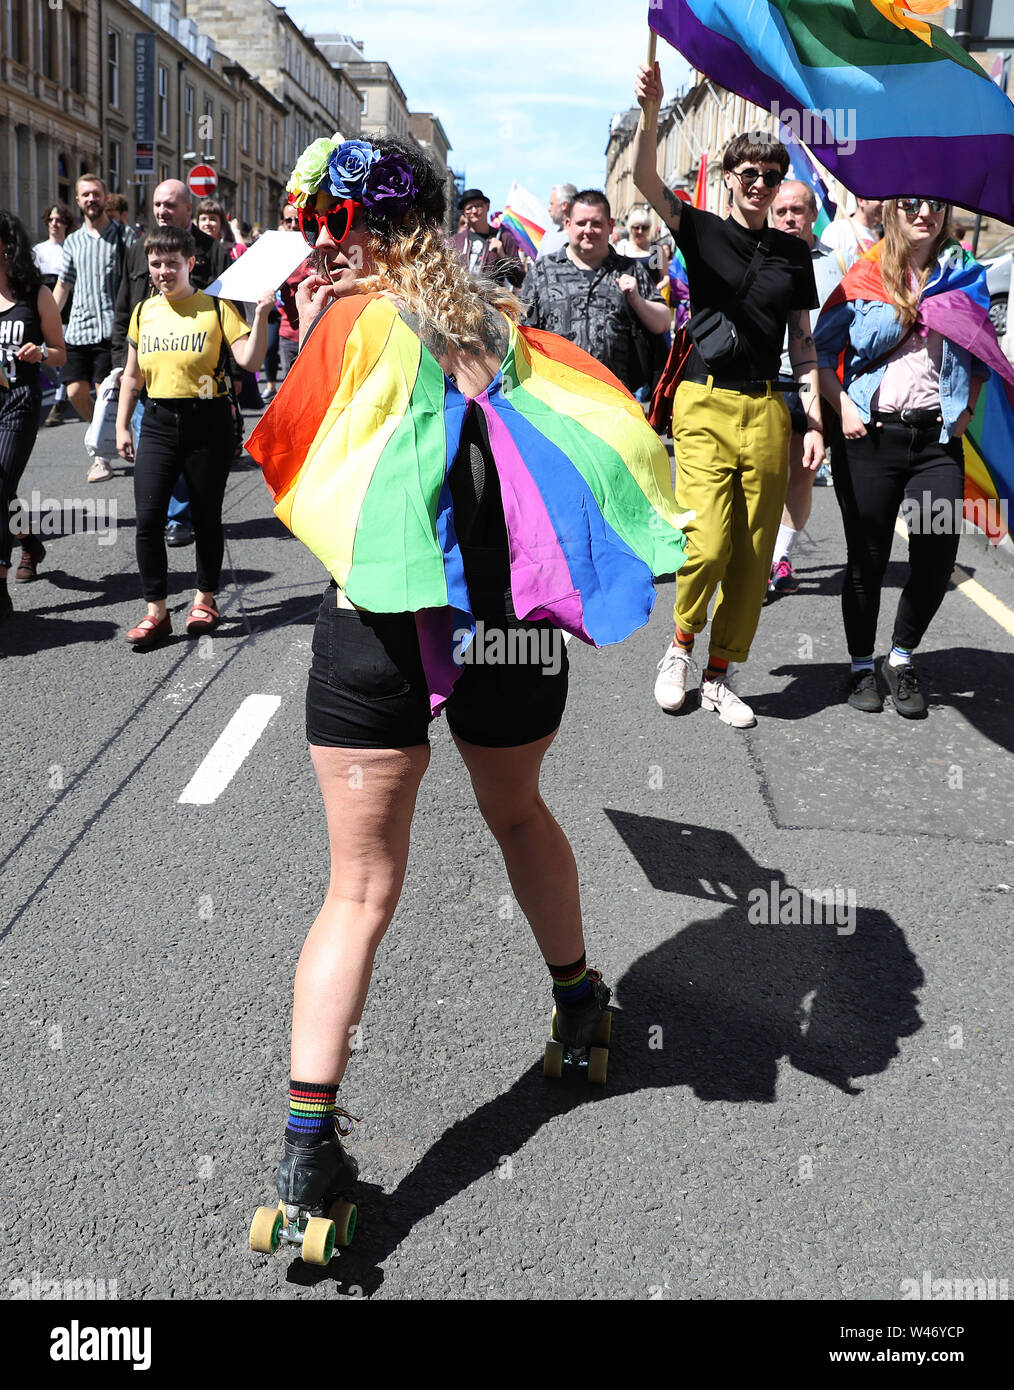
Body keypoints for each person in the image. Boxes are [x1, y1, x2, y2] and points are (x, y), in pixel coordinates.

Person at [241, 132, 689, 1259]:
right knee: (519, 812)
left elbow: (292, 458)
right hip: (506, 634)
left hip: (375, 629)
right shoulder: (510, 338)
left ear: (360, 235)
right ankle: (581, 1002)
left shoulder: (347, 328)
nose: (315, 255)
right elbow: (594, 439)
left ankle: (307, 1151)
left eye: (325, 234)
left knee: (356, 892)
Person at [633, 60, 823, 728]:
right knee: (709, 543)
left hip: (769, 409)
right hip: (705, 402)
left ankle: (720, 675)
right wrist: (653, 111)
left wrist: (815, 420)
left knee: (751, 552)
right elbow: (646, 181)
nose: (761, 186)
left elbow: (802, 342)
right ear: (730, 177)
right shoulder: (701, 231)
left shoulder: (794, 253)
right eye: (751, 176)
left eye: (772, 177)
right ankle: (680, 647)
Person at [815, 198, 991, 718]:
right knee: (867, 558)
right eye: (912, 206)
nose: (924, 214)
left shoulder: (966, 277)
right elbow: (822, 352)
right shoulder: (864, 275)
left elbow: (982, 350)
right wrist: (841, 405)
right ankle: (860, 668)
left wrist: (968, 409)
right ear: (892, 213)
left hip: (936, 441)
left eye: (935, 206)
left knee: (937, 555)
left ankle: (901, 656)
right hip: (871, 436)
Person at [114, 226, 271, 649]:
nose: (164, 271)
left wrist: (260, 317)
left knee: (205, 517)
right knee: (148, 520)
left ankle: (205, 599)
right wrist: (121, 424)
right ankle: (156, 611)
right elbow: (132, 375)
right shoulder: (144, 311)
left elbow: (249, 360)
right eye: (156, 263)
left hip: (209, 422)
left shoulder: (215, 307)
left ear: (190, 263)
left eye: (172, 263)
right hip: (158, 421)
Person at [113, 180, 230, 547]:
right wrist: (121, 363)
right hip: (145, 369)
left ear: (188, 209)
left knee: (190, 454)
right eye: (157, 204)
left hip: (198, 375)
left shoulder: (213, 251)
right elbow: (122, 307)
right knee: (154, 451)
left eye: (170, 205)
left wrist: (236, 373)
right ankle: (161, 515)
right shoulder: (137, 250)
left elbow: (228, 314)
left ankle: (181, 517)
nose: (162, 211)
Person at [767, 180, 846, 596]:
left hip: (814, 379)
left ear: (813, 214)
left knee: (801, 474)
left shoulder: (838, 263)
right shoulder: (759, 256)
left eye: (797, 210)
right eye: (781, 211)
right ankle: (755, 553)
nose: (789, 218)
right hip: (766, 380)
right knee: (764, 475)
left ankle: (780, 557)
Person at [520, 189, 670, 397]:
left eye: (596, 224)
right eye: (581, 223)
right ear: (568, 225)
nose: (588, 230)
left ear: (610, 225)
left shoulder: (630, 269)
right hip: (556, 400)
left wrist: (636, 299)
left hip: (614, 401)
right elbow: (522, 332)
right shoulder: (543, 271)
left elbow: (662, 322)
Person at [0, 211, 67, 617]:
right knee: (2, 493)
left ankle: (0, 582)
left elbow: (61, 353)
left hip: (19, 403)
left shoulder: (34, 293)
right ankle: (28, 540)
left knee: (0, 489)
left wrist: (40, 352)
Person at [52, 174, 135, 483]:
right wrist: (46, 320)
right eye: (85, 195)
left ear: (104, 197)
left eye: (96, 194)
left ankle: (100, 457)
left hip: (110, 331)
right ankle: (106, 434)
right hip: (78, 329)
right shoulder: (72, 241)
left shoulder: (124, 237)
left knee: (105, 396)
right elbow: (63, 285)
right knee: (74, 393)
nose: (91, 199)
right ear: (78, 200)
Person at [32, 201, 75, 427]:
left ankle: (59, 401)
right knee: (44, 358)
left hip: (66, 309)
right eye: (51, 220)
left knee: (62, 356)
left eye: (59, 220)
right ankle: (61, 390)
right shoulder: (38, 251)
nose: (54, 224)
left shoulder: (71, 248)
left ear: (66, 224)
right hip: (43, 305)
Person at [451, 188, 526, 287]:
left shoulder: (503, 238)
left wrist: (503, 256)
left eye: (478, 206)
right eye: (469, 208)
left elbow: (520, 281)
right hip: (463, 300)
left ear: (487, 206)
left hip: (492, 301)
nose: (474, 211)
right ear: (464, 213)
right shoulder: (456, 241)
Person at [820, 198, 883, 271]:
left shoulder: (876, 239)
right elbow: (825, 267)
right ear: (861, 201)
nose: (884, 204)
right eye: (880, 200)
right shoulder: (837, 229)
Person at [537, 182, 576, 259]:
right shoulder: (548, 236)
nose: (549, 209)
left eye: (552, 204)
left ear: (564, 205)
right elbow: (537, 269)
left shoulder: (583, 236)